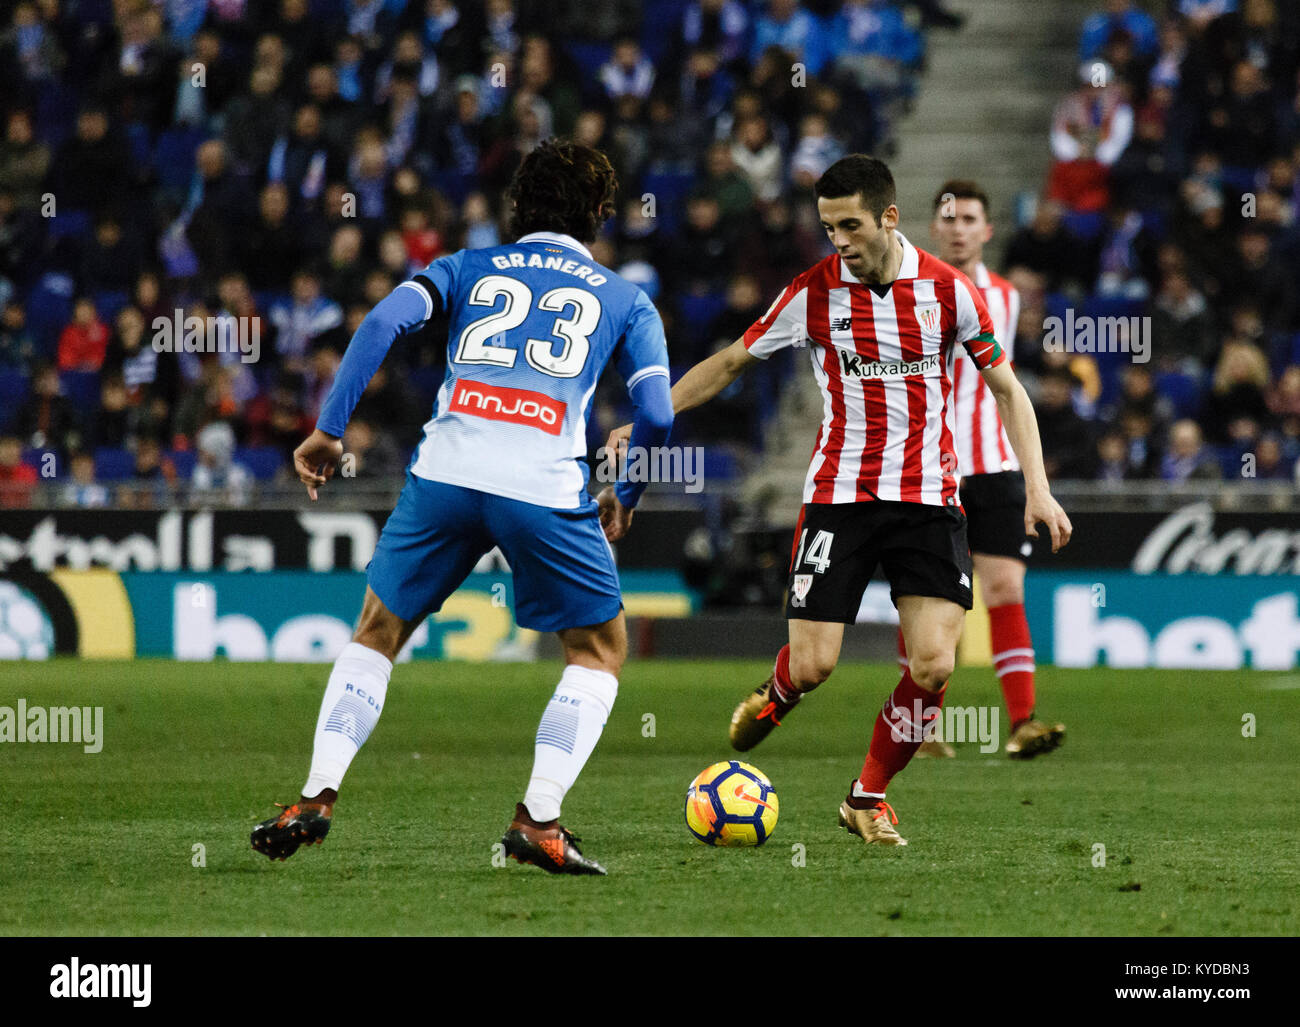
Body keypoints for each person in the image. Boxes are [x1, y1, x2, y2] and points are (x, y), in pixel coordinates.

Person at [608, 156, 1071, 846]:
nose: (840, 240)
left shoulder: (948, 293)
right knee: (817, 663)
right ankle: (781, 690)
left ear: (888, 217)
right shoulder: (812, 293)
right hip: (840, 497)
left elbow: (1007, 389)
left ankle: (866, 796)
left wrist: (1037, 484)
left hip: (928, 500)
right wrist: (647, 417)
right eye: (828, 227)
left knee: (936, 664)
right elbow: (732, 360)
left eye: (850, 224)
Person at [251, 140, 673, 875]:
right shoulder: (626, 298)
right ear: (600, 216)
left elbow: (380, 322)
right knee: (598, 649)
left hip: (445, 470)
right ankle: (539, 818)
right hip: (542, 483)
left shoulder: (464, 266)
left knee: (379, 630)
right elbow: (659, 414)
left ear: (518, 208)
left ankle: (315, 796)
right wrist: (626, 493)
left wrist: (327, 428)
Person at [913, 180, 1065, 759]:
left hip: (996, 464)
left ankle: (1022, 721)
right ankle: (920, 727)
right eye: (948, 218)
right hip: (929, 467)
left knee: (1004, 588)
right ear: (934, 228)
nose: (958, 228)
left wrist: (1034, 477)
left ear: (987, 229)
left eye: (969, 218)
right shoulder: (909, 289)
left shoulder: (1006, 297)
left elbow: (1005, 386)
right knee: (927, 597)